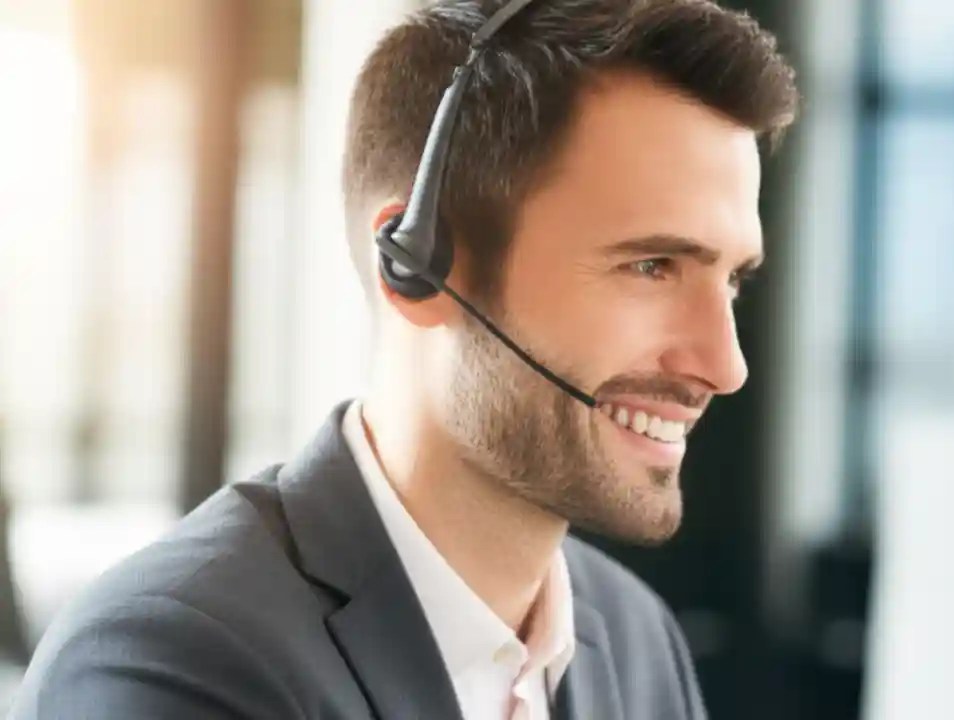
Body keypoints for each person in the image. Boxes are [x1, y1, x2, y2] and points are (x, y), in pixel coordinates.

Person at [12, 0, 798, 717]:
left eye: (731, 280)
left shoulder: (634, 642)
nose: (724, 366)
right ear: (417, 265)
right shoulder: (172, 664)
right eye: (651, 266)